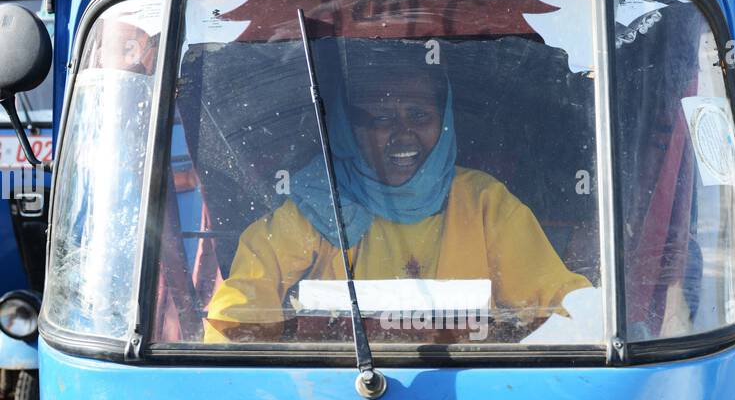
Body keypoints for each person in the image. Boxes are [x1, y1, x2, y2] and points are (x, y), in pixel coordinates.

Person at [204, 40, 590, 342]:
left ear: (444, 122)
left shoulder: (483, 202)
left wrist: (591, 323)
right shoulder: (318, 203)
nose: (403, 134)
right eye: (382, 119)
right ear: (347, 129)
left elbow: (559, 299)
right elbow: (242, 302)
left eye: (419, 116)